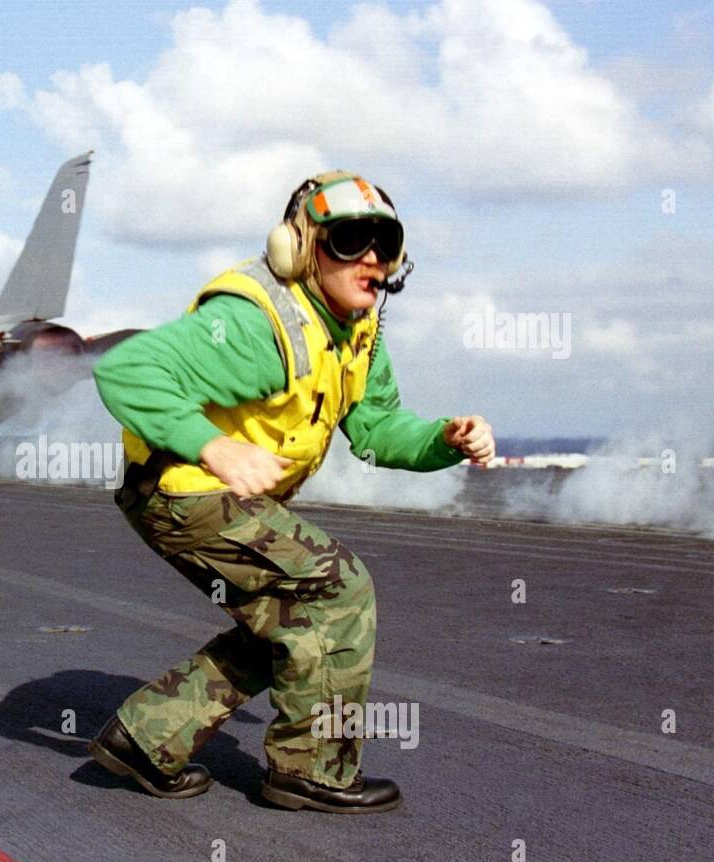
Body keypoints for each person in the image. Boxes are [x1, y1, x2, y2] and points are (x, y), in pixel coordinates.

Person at [89, 171, 494, 813]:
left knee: (294, 627)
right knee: (340, 587)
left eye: (383, 244)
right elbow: (125, 370)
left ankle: (146, 739)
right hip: (183, 489)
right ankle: (313, 772)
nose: (370, 258)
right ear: (299, 248)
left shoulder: (357, 329)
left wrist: (446, 439)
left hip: (213, 495)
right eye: (349, 240)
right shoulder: (256, 322)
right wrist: (213, 445)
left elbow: (377, 427)